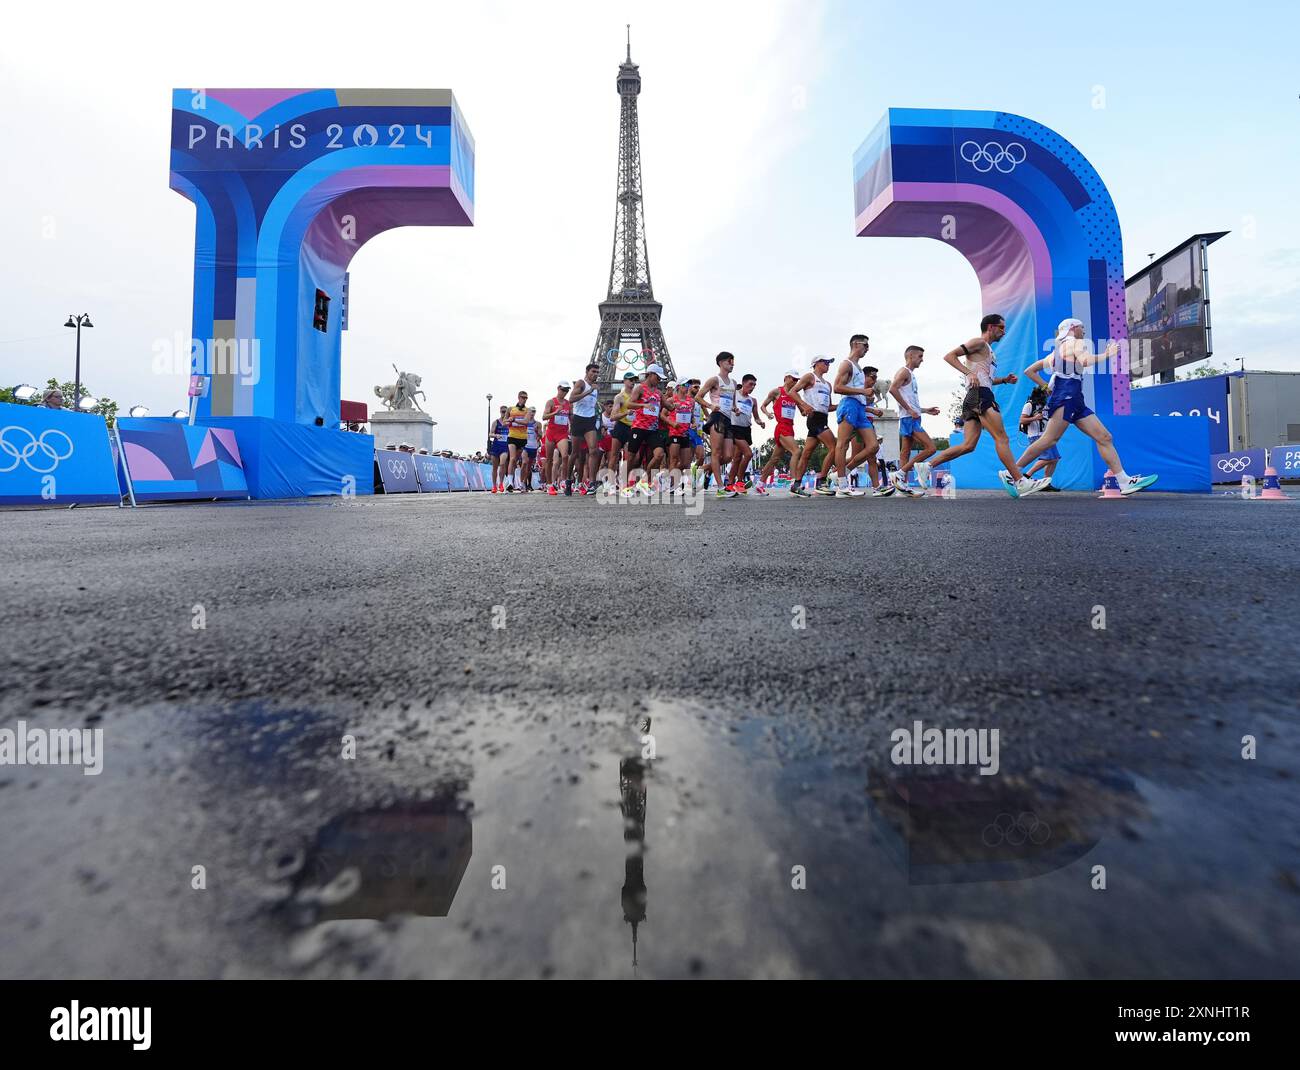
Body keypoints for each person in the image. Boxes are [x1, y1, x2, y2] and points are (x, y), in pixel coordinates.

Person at [892, 314, 1047, 499]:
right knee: (1002, 438)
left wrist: (1004, 380)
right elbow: (949, 356)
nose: (1004, 332)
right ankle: (1019, 480)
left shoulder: (988, 350)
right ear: (990, 327)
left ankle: (928, 466)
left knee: (968, 445)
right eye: (1001, 327)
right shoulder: (979, 343)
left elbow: (985, 377)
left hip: (974, 396)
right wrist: (968, 372)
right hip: (980, 395)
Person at [1014, 318, 1158, 495]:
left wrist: (1046, 387)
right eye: (1082, 328)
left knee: (1104, 437)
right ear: (1073, 328)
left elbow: (1029, 371)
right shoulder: (1074, 342)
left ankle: (1124, 481)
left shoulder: (1056, 352)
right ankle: (1013, 472)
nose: (1084, 331)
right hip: (1066, 396)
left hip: (1075, 399)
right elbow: (1085, 361)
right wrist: (1108, 354)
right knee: (1049, 440)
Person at [830, 334, 885, 498]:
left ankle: (844, 471)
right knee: (843, 444)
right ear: (855, 344)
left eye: (868, 346)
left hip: (860, 407)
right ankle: (842, 485)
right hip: (849, 405)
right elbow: (837, 387)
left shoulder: (858, 368)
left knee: (873, 446)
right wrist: (862, 391)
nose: (867, 349)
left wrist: (866, 399)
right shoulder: (846, 364)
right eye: (865, 345)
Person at [887, 346, 941, 497]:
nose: (922, 359)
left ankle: (901, 487)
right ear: (910, 356)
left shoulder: (910, 374)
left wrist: (925, 410)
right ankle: (900, 474)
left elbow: (910, 400)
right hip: (909, 418)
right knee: (931, 448)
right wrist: (910, 410)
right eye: (920, 356)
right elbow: (892, 389)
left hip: (910, 417)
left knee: (905, 453)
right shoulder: (904, 371)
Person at [787, 355, 837, 497]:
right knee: (834, 447)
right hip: (814, 418)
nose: (828, 365)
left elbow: (828, 407)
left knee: (806, 454)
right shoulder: (809, 376)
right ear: (816, 364)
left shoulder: (828, 384)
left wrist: (843, 405)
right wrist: (804, 405)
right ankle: (821, 482)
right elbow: (792, 391)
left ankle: (796, 485)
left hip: (823, 418)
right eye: (826, 362)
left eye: (829, 363)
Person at [696, 352, 739, 499]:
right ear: (721, 363)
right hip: (717, 417)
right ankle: (720, 488)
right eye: (729, 361)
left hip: (728, 419)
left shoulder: (733, 383)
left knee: (728, 456)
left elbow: (732, 403)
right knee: (716, 452)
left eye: (733, 361)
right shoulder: (714, 380)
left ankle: (702, 469)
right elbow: (697, 396)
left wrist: (735, 408)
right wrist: (709, 405)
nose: (732, 363)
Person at [625, 364, 668, 494]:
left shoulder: (659, 392)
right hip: (639, 427)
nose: (659, 380)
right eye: (658, 377)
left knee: (659, 454)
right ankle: (627, 483)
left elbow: (669, 406)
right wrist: (644, 404)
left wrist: (676, 404)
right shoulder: (640, 388)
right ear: (651, 374)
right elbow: (628, 404)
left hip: (652, 430)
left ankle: (645, 480)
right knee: (632, 457)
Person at [758, 369, 802, 490]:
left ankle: (760, 484)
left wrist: (808, 410)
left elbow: (802, 411)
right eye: (793, 379)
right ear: (786, 378)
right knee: (796, 451)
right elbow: (762, 406)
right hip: (781, 427)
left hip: (790, 427)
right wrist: (767, 414)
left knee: (774, 459)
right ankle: (794, 483)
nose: (795, 382)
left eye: (797, 380)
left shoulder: (795, 394)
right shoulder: (777, 392)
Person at [727, 374, 766, 493]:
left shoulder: (752, 400)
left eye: (754, 385)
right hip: (734, 428)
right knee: (748, 454)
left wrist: (761, 422)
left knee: (737, 458)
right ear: (743, 383)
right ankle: (739, 481)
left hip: (746, 429)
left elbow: (756, 417)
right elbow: (729, 406)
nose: (753, 387)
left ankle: (730, 484)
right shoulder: (735, 394)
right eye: (750, 384)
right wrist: (735, 409)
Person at [568, 362, 602, 493]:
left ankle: (592, 482)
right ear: (587, 372)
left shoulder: (595, 387)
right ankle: (568, 480)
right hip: (578, 419)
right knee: (575, 453)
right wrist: (589, 391)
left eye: (597, 372)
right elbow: (571, 399)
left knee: (594, 451)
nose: (595, 374)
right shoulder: (581, 383)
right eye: (593, 371)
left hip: (590, 420)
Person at [1019, 386, 1060, 490]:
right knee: (1050, 458)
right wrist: (1035, 418)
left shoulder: (1045, 406)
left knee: (1054, 459)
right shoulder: (1029, 405)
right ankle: (1026, 476)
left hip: (1046, 435)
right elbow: (1022, 420)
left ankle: (1046, 483)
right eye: (1045, 394)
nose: (1046, 396)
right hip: (1035, 435)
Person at [542, 381, 572, 495]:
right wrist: (555, 412)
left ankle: (563, 481)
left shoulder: (568, 404)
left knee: (565, 456)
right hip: (551, 432)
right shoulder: (551, 402)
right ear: (558, 388)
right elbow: (544, 416)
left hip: (562, 434)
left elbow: (571, 417)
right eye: (563, 390)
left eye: (567, 390)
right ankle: (550, 484)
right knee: (549, 460)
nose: (565, 392)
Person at [504, 390, 530, 492]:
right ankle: (510, 482)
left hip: (522, 438)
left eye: (526, 398)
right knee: (513, 458)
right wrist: (508, 420)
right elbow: (504, 422)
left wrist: (514, 420)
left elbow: (526, 422)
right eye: (523, 397)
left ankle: (513, 479)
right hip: (512, 436)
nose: (524, 399)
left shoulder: (527, 410)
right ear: (518, 397)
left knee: (517, 462)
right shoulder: (511, 409)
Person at [488, 404, 511, 492]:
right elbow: (490, 434)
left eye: (505, 412)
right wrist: (496, 435)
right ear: (500, 412)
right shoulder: (496, 422)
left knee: (502, 464)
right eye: (502, 412)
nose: (504, 413)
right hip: (496, 446)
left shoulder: (509, 423)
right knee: (494, 467)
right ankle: (494, 486)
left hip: (505, 446)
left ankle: (501, 483)